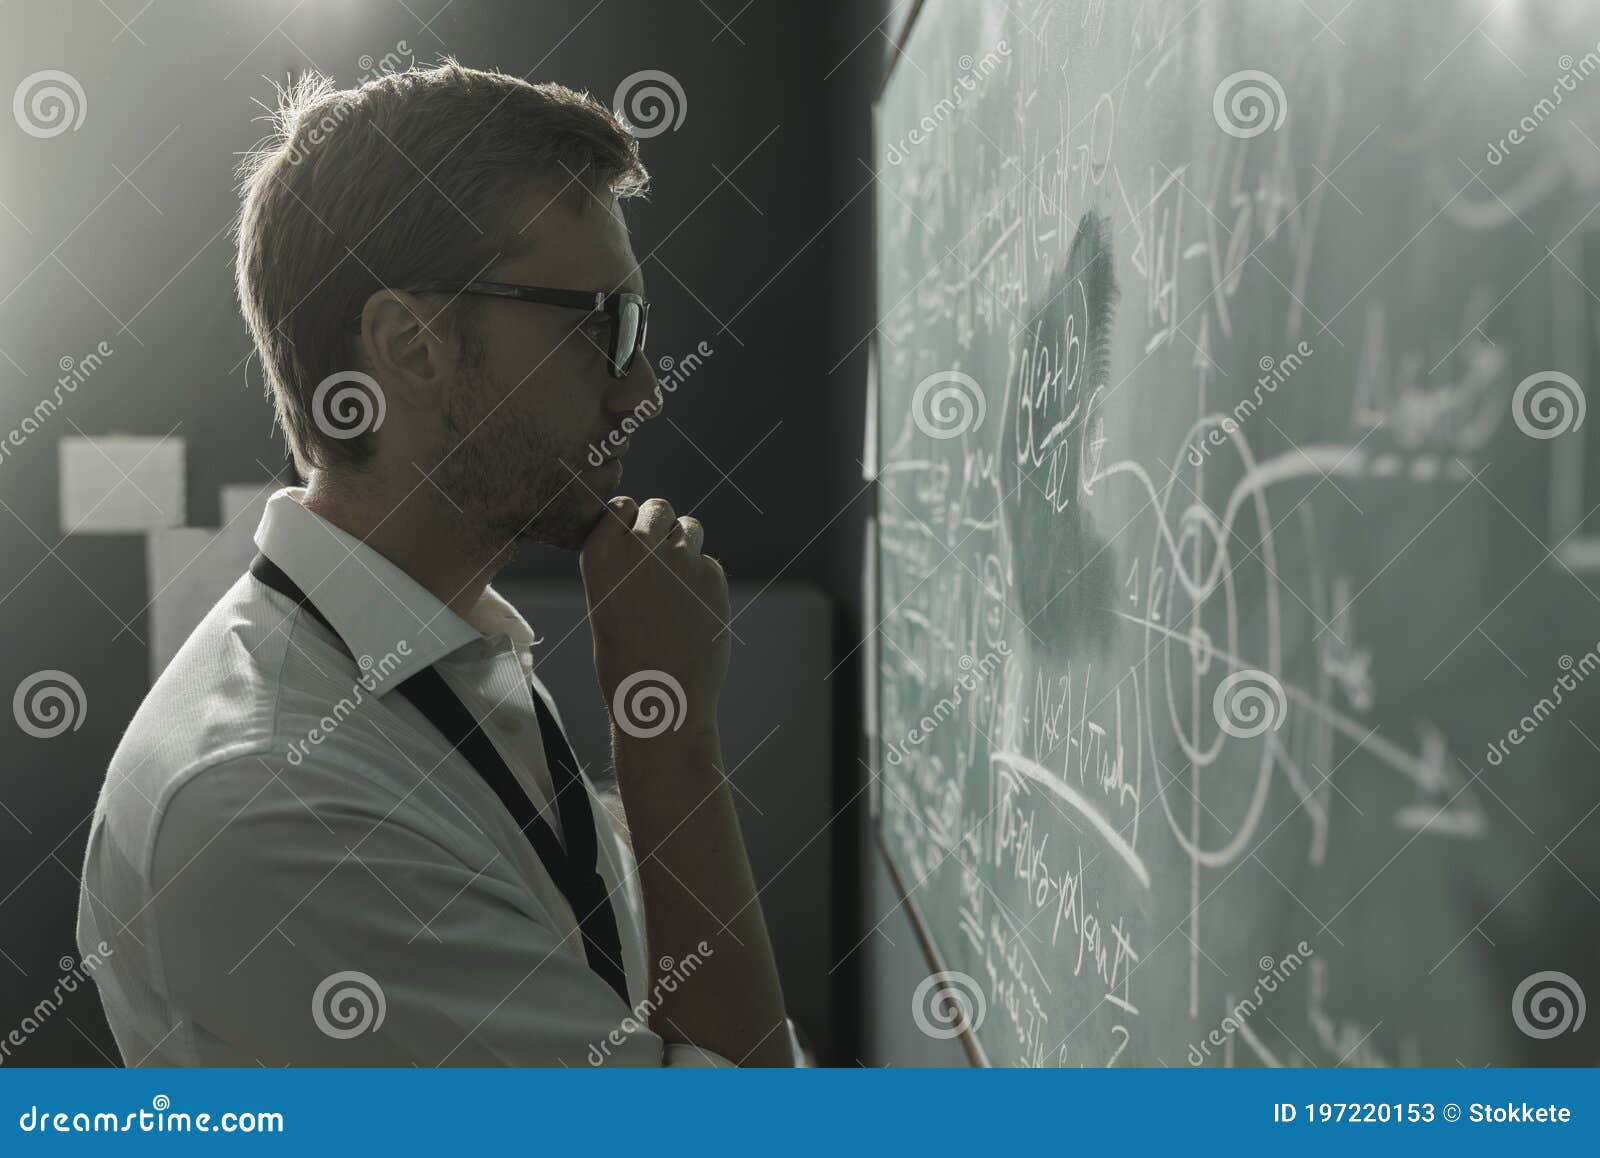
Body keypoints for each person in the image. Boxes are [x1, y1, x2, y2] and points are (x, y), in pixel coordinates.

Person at [75, 60, 795, 1067]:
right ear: (413, 346)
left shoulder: (437, 641)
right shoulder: (275, 797)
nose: (640, 388)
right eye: (602, 328)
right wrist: (669, 730)